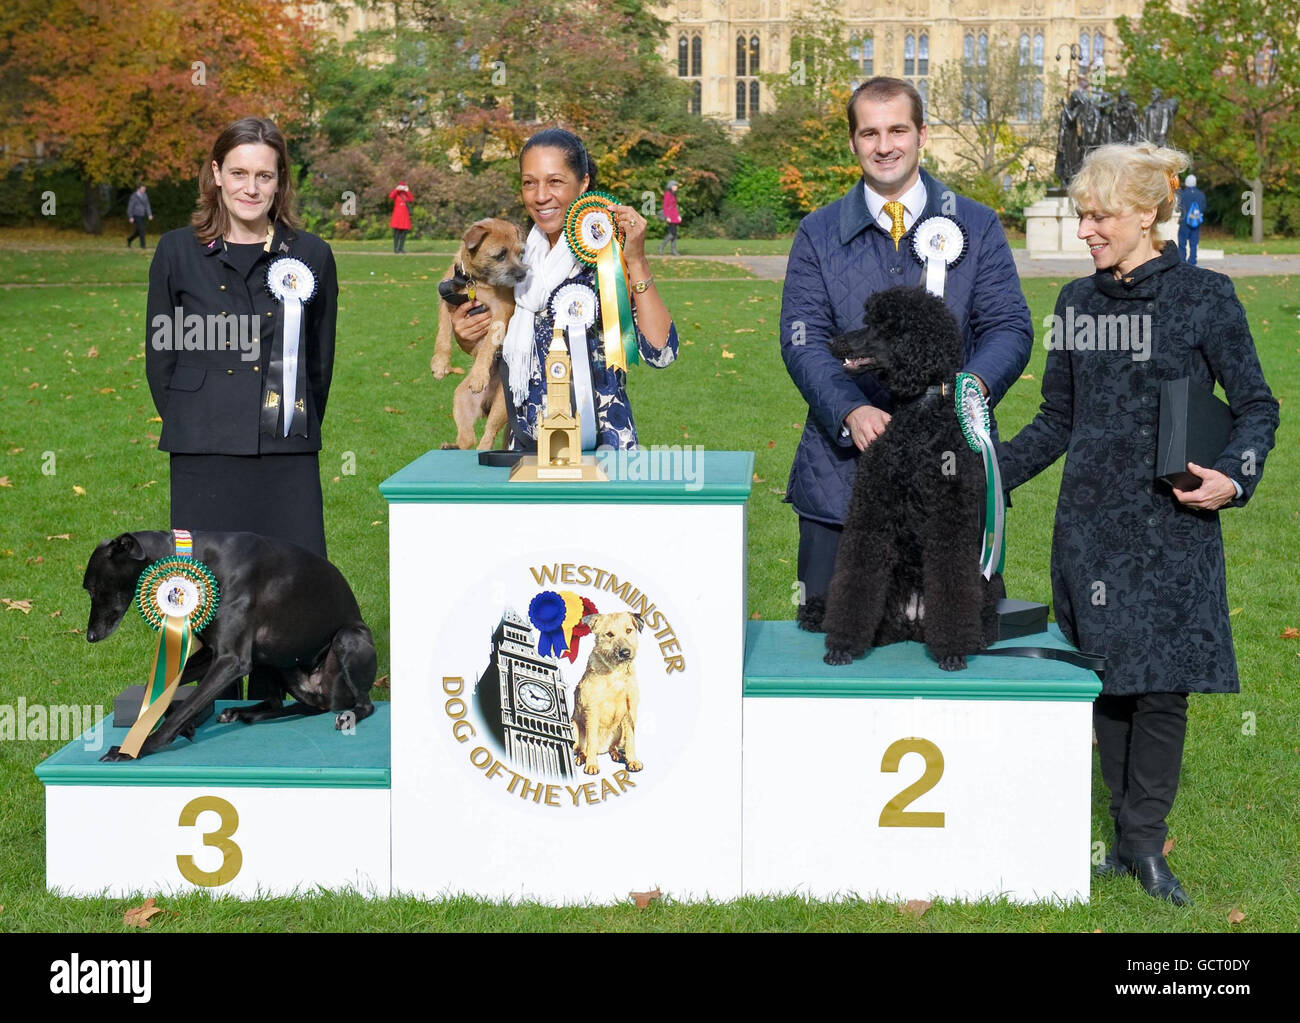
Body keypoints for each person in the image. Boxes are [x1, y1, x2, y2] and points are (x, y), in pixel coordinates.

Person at [998, 143, 1278, 905]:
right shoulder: (1074, 305)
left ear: (1148, 213)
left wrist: (1234, 476)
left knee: (1160, 688)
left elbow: (1257, 405)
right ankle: (1125, 841)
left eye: (1101, 216)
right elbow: (1056, 419)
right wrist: (989, 474)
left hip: (1173, 525)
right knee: (1107, 682)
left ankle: (1145, 844)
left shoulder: (1206, 297)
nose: (1086, 230)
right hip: (1089, 525)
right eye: (1081, 215)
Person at [781, 77, 1034, 628]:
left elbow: (1009, 327)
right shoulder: (817, 233)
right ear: (853, 142)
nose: (884, 146)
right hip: (840, 482)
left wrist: (968, 390)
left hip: (952, 476)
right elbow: (802, 339)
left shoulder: (978, 224)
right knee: (831, 649)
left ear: (922, 134)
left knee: (954, 646)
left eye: (897, 130)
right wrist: (850, 409)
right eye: (869, 133)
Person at [145, 116, 339, 697]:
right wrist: (196, 419)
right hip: (203, 446)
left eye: (264, 176)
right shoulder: (176, 250)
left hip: (285, 447)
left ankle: (288, 696)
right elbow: (162, 356)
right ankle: (213, 701)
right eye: (238, 173)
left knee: (292, 583)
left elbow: (319, 362)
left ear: (280, 182)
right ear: (216, 174)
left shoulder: (312, 254)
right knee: (205, 585)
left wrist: (293, 422)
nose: (250, 188)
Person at [450, 127, 678, 451]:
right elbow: (500, 347)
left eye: (555, 181)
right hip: (526, 446)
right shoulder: (516, 257)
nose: (540, 195)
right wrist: (466, 336)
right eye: (529, 183)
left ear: (583, 183)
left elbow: (661, 352)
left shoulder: (607, 252)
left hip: (602, 445)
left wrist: (637, 261)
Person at [1176, 173, 1207, 265]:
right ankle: (1192, 261)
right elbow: (1204, 207)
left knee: (1182, 243)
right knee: (1194, 243)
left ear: (1186, 183)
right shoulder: (1201, 194)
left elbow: (1178, 208)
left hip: (1184, 222)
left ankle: (1182, 261)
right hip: (1196, 221)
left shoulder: (1183, 194)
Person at [658, 180, 681, 255]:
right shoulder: (667, 194)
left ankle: (673, 250)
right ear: (670, 186)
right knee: (672, 234)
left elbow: (674, 206)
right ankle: (661, 247)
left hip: (674, 215)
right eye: (674, 185)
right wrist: (667, 216)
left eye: (676, 186)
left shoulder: (674, 194)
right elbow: (665, 206)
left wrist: (678, 215)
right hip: (669, 215)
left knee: (674, 234)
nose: (676, 187)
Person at [389, 180, 413, 253]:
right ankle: (396, 248)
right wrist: (396, 189)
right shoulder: (396, 193)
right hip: (397, 215)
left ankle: (401, 248)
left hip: (404, 215)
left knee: (404, 232)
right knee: (396, 232)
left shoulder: (405, 194)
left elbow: (411, 199)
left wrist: (407, 191)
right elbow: (391, 196)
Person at [126, 184, 152, 248]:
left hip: (143, 215)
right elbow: (130, 207)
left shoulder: (145, 195)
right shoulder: (134, 196)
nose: (144, 190)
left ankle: (129, 239)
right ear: (138, 189)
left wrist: (149, 214)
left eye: (145, 189)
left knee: (138, 231)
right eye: (143, 189)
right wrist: (130, 216)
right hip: (136, 215)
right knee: (141, 230)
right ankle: (143, 246)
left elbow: (147, 205)